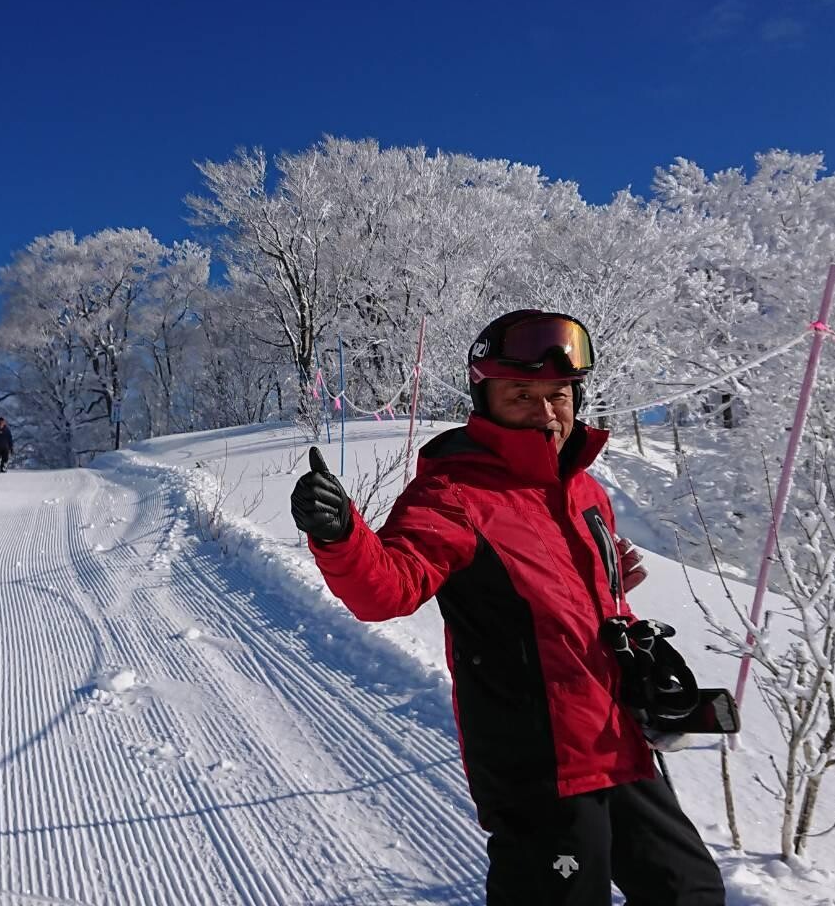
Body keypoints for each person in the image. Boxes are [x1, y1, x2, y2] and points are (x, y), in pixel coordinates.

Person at [290, 309, 724, 905]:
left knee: (691, 891)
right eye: (522, 393)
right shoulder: (453, 495)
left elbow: (567, 599)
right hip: (537, 763)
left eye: (560, 394)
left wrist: (616, 605)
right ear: (484, 398)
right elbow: (387, 588)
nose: (547, 412)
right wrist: (340, 535)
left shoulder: (585, 490)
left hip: (616, 740)